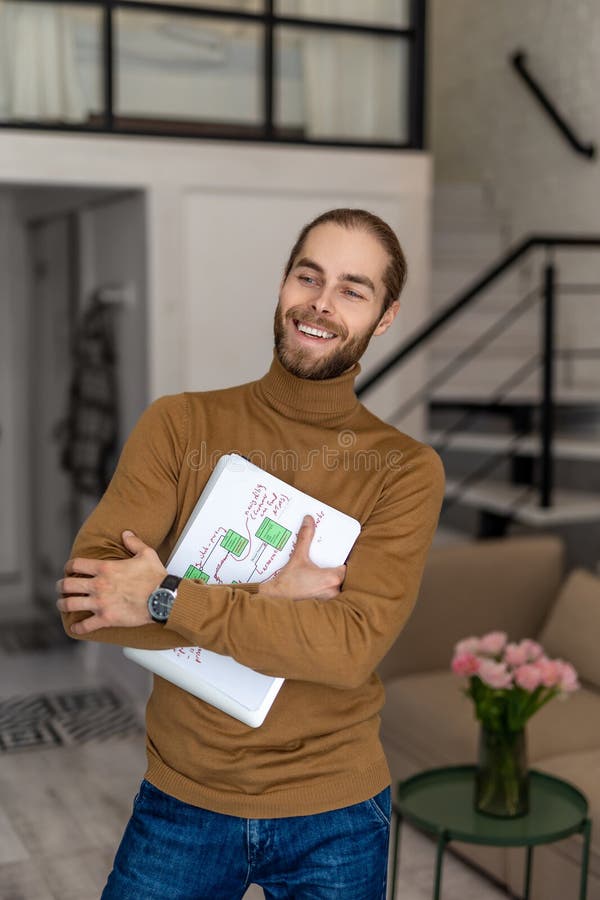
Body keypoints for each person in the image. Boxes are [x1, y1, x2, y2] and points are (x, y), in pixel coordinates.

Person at [57, 208, 445, 899]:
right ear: (283, 284)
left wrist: (163, 593)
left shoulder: (404, 470)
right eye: (309, 276)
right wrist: (268, 603)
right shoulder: (180, 424)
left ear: (384, 317)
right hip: (183, 797)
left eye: (353, 290)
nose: (321, 304)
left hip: (337, 809)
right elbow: (87, 606)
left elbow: (348, 651)